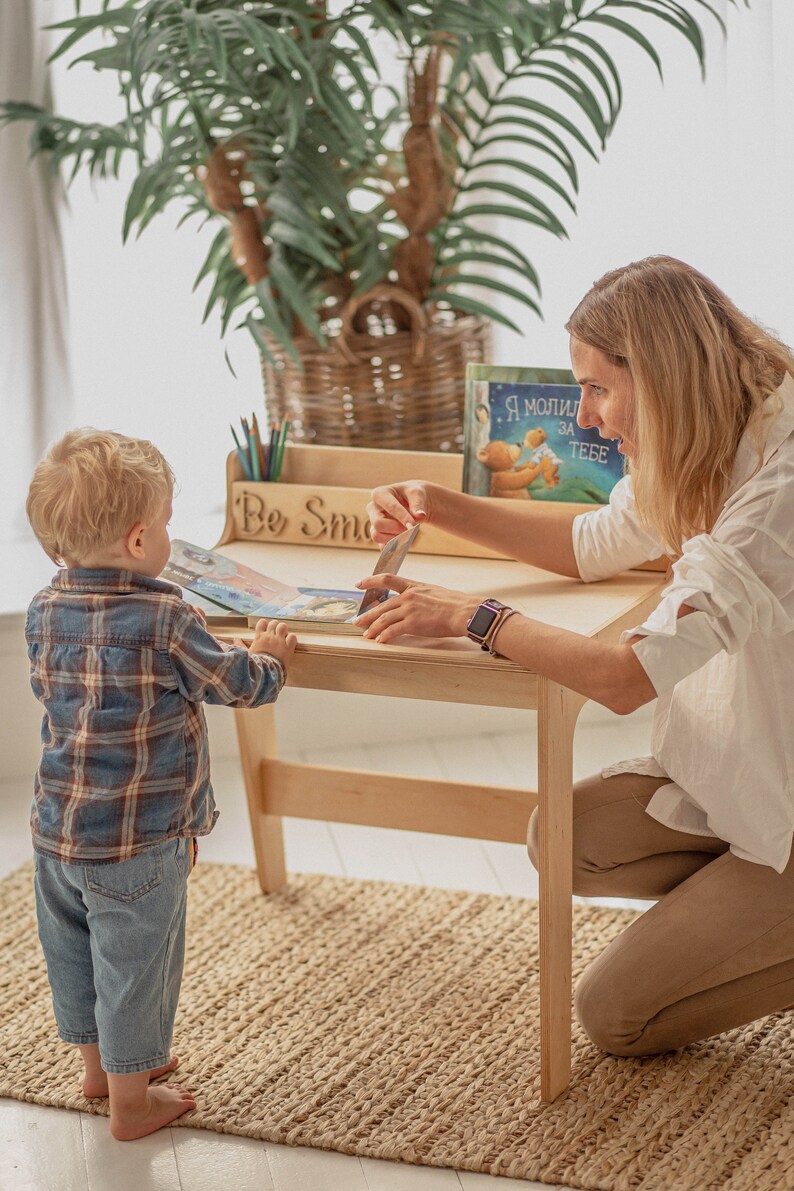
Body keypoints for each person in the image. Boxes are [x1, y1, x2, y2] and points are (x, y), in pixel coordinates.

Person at [356, 255, 794, 1057]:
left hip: (789, 816)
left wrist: (472, 616)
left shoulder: (778, 492)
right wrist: (437, 503)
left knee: (616, 1016)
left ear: (659, 376)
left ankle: (761, 918)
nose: (586, 417)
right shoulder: (703, 430)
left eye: (598, 388)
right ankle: (739, 918)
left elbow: (626, 678)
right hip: (749, 778)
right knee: (559, 837)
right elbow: (594, 542)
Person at [25, 428, 297, 1139]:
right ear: (141, 538)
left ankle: (98, 1070)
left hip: (56, 833)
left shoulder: (43, 608)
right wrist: (268, 656)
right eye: (170, 524)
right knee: (136, 967)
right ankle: (130, 1102)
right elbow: (237, 685)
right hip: (137, 842)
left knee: (76, 956)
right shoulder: (169, 615)